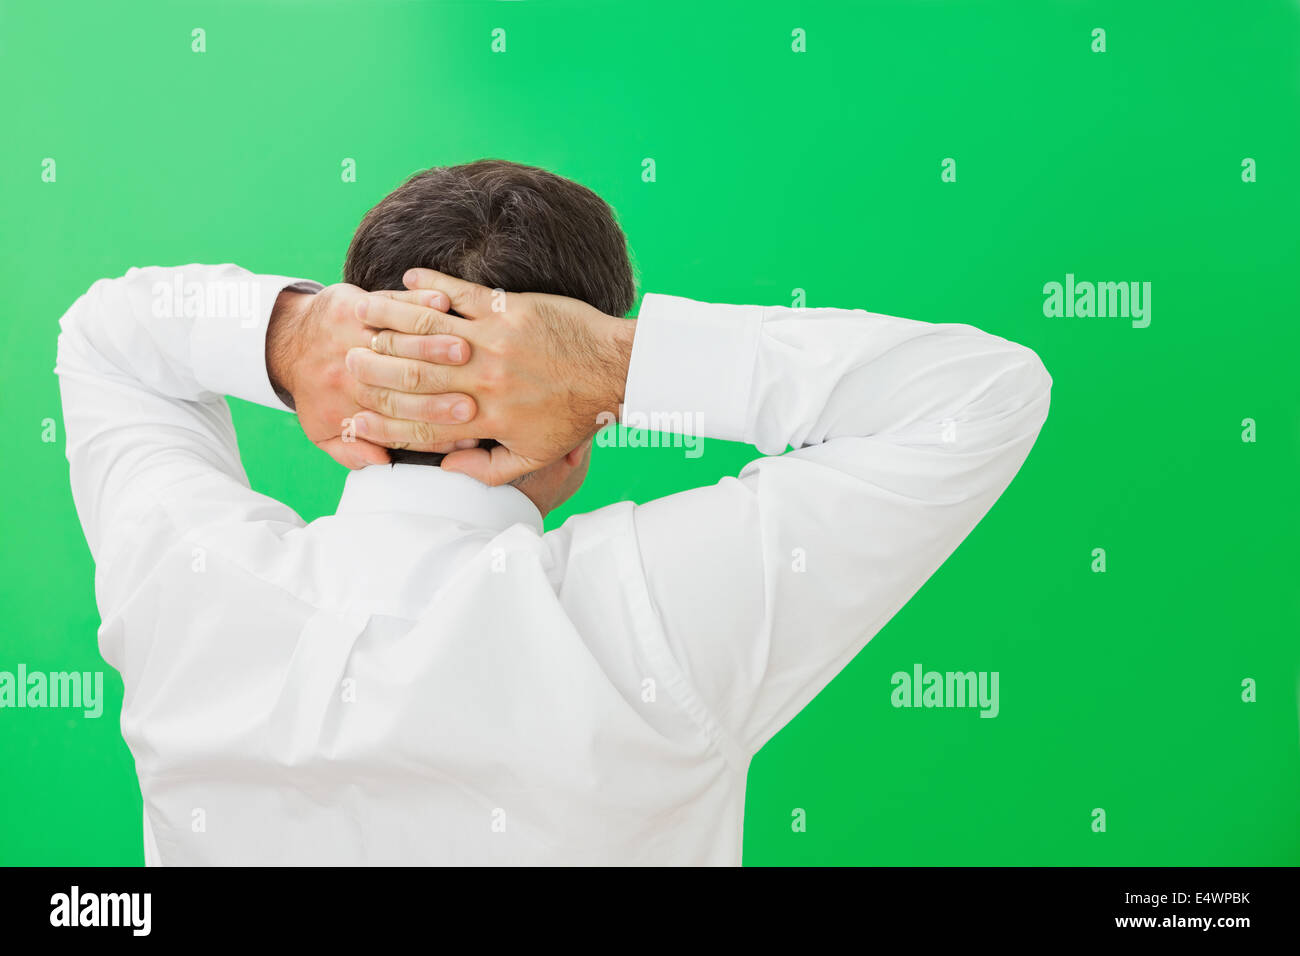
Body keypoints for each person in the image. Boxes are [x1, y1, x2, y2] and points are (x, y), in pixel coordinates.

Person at [55, 160, 1052, 865]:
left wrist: (285, 333)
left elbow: (104, 337)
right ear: (580, 429)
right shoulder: (650, 617)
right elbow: (982, 395)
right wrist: (618, 363)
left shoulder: (189, 588)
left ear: (351, 378)